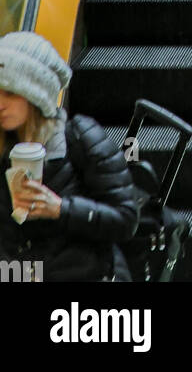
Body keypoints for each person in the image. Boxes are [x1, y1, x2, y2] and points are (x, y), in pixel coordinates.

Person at [0, 31, 138, 282]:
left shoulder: (80, 138)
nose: (1, 103)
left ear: (35, 93)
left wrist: (61, 209)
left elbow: (125, 220)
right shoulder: (4, 151)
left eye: (10, 92)